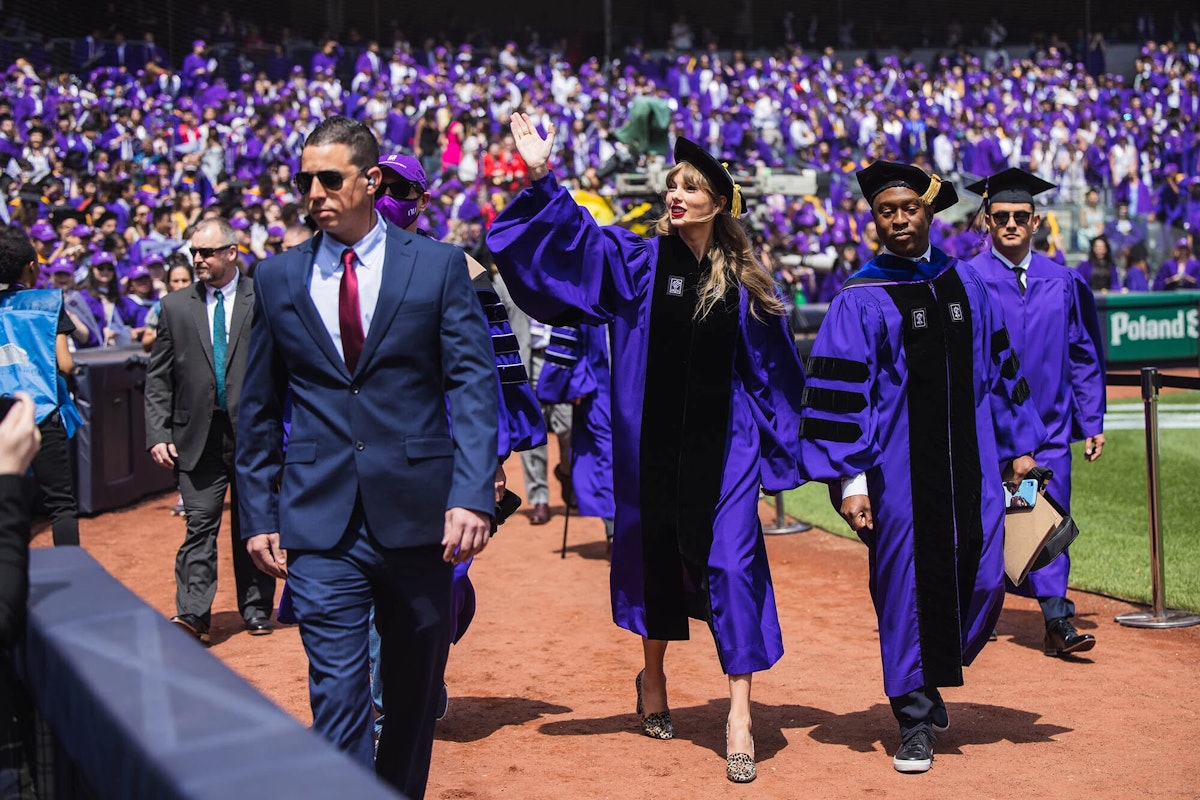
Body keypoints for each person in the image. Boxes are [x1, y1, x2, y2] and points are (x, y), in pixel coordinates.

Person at [489, 118, 807, 784]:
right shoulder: (637, 261)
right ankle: (654, 674)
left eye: (691, 188)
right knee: (659, 564)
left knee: (732, 565)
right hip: (653, 446)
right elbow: (572, 244)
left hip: (728, 450)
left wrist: (781, 455)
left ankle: (739, 714)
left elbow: (771, 373)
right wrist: (543, 174)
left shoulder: (746, 280)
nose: (677, 196)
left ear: (718, 203)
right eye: (673, 186)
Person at [234, 117, 496, 800]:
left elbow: (473, 384)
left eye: (329, 178)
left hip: (420, 520)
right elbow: (258, 408)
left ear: (370, 179)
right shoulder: (276, 278)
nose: (313, 193)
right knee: (339, 698)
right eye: (304, 181)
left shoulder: (437, 266)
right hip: (319, 525)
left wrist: (471, 493)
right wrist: (257, 513)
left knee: (412, 698)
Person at [797, 160, 1046, 774]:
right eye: (887, 210)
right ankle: (911, 718)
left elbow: (999, 367)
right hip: (899, 474)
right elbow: (840, 396)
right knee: (907, 591)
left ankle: (931, 676)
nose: (900, 218)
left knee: (985, 577)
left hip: (976, 468)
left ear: (929, 213)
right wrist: (850, 481)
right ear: (874, 219)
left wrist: (1019, 445)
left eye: (909, 207)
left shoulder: (965, 285)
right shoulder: (860, 298)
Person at [365, 151, 546, 732]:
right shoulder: (343, 268)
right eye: (380, 184)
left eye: (401, 188)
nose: (388, 195)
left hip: (446, 455)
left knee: (447, 583)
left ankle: (423, 667)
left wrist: (491, 462)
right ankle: (383, 705)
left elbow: (492, 372)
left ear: (423, 199)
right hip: (373, 451)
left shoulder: (461, 270)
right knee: (372, 582)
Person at [967, 168, 1106, 658]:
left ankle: (1056, 619)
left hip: (1047, 429)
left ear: (1036, 220)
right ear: (986, 220)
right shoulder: (967, 281)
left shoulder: (1062, 281)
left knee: (1044, 518)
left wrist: (1091, 421)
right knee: (986, 523)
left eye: (1019, 217)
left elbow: (1083, 353)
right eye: (1000, 216)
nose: (1010, 224)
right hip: (985, 432)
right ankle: (970, 617)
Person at [144, 218, 276, 643]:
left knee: (251, 522)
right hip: (195, 435)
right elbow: (158, 378)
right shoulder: (175, 306)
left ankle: (256, 608)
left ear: (232, 252)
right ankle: (193, 613)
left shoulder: (264, 299)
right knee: (199, 524)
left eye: (207, 252)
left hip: (254, 433)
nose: (198, 259)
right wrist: (157, 432)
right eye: (194, 253)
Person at [0, 232, 82, 546]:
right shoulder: (46, 302)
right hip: (41, 411)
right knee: (60, 503)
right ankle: (72, 572)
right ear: (31, 267)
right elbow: (65, 364)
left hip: (2, 415)